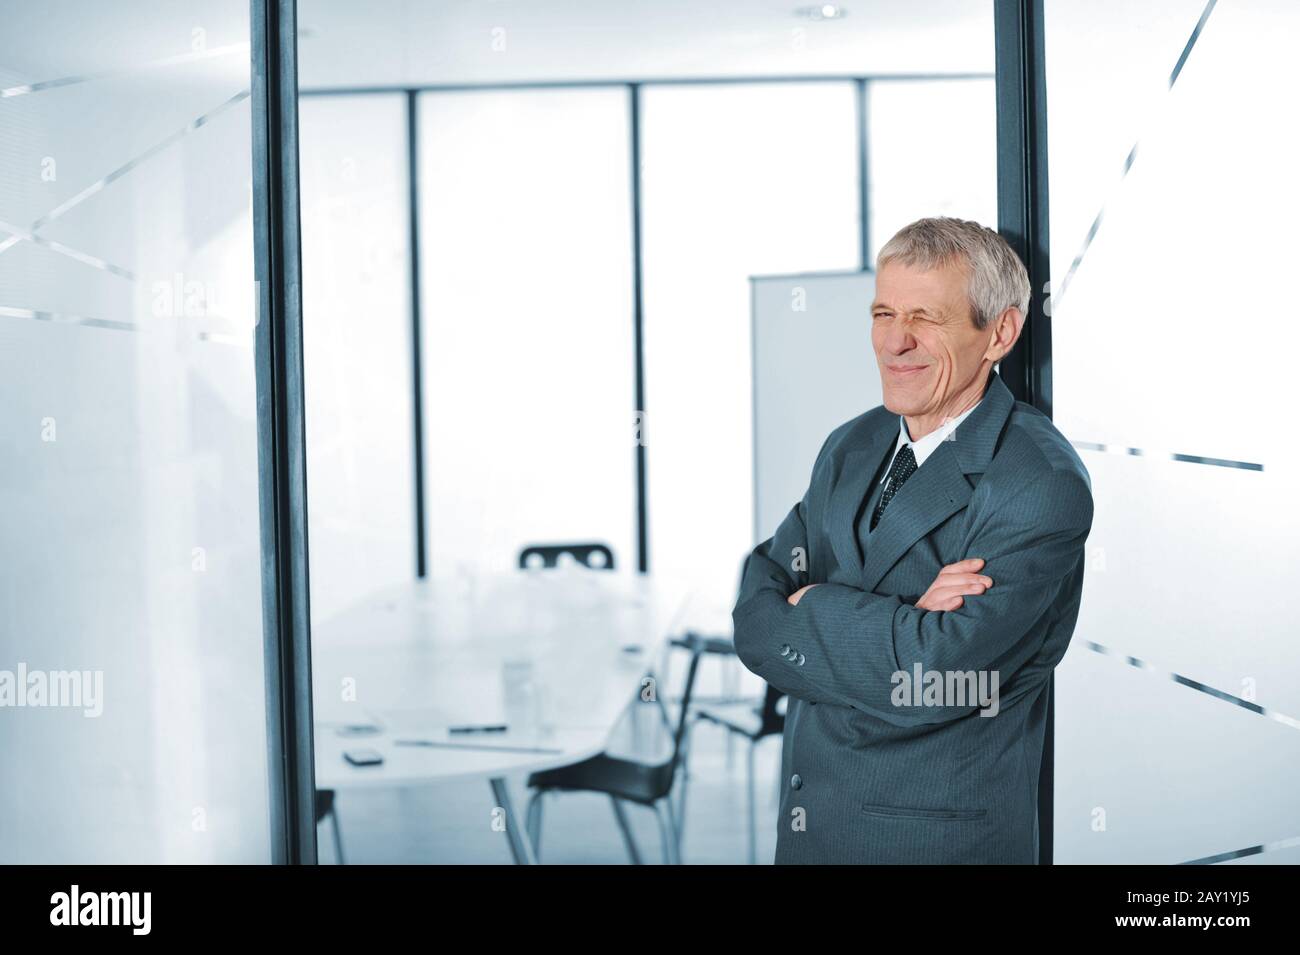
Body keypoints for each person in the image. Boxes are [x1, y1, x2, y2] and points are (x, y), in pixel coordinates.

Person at [732, 216, 1094, 864]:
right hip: (811, 835)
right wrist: (904, 622)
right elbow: (754, 623)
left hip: (933, 843)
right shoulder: (852, 443)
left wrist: (810, 603)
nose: (896, 341)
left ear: (1000, 333)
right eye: (884, 314)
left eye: (925, 317)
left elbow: (933, 679)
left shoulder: (1036, 481)